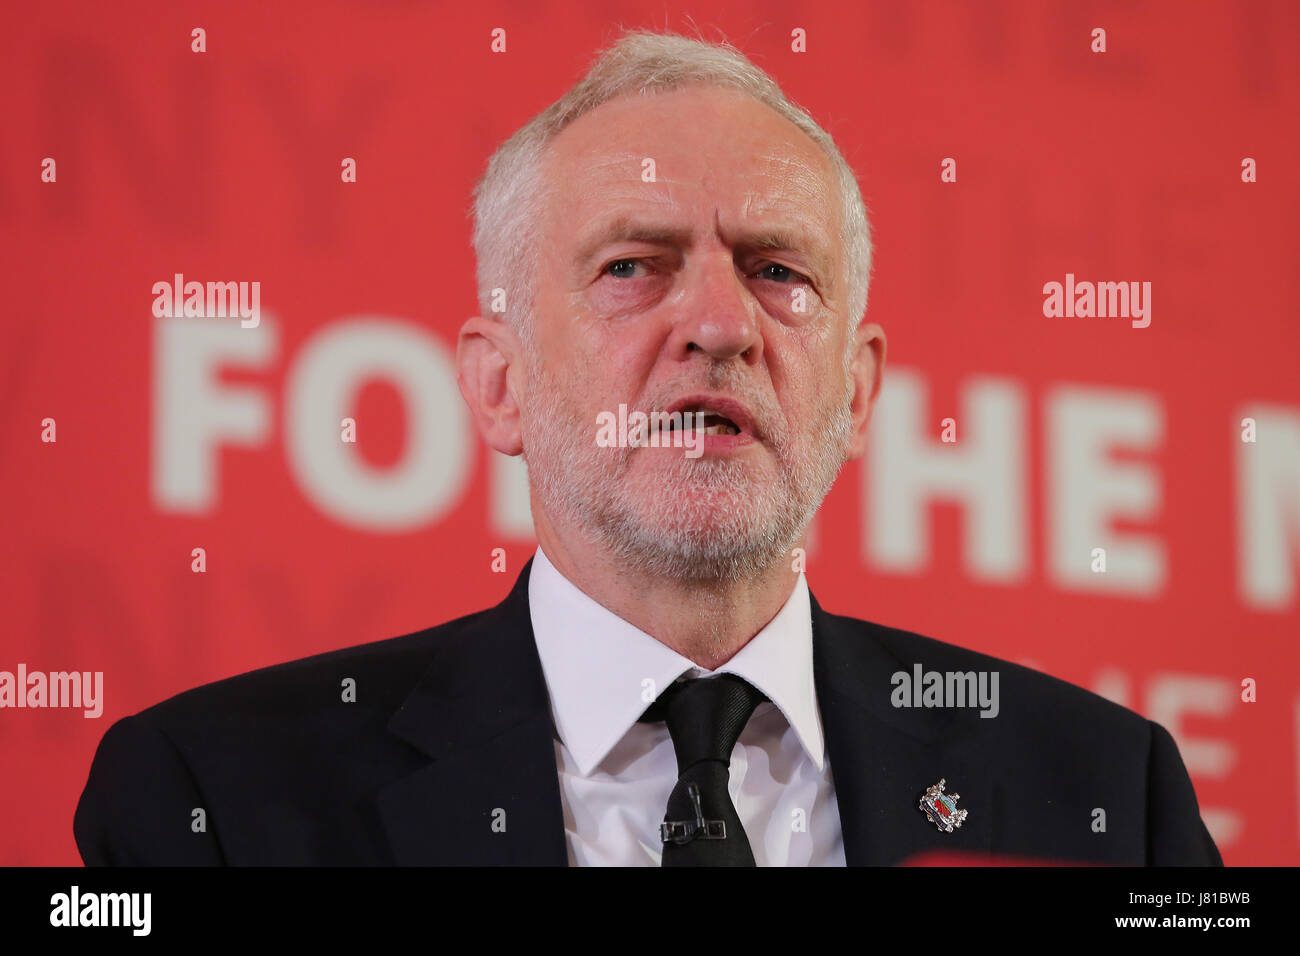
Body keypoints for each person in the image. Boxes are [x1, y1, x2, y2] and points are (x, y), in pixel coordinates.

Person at [75, 29, 1222, 867]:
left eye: (778, 271)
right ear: (500, 383)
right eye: (633, 266)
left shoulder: (1107, 797)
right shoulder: (218, 800)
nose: (720, 324)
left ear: (857, 391)